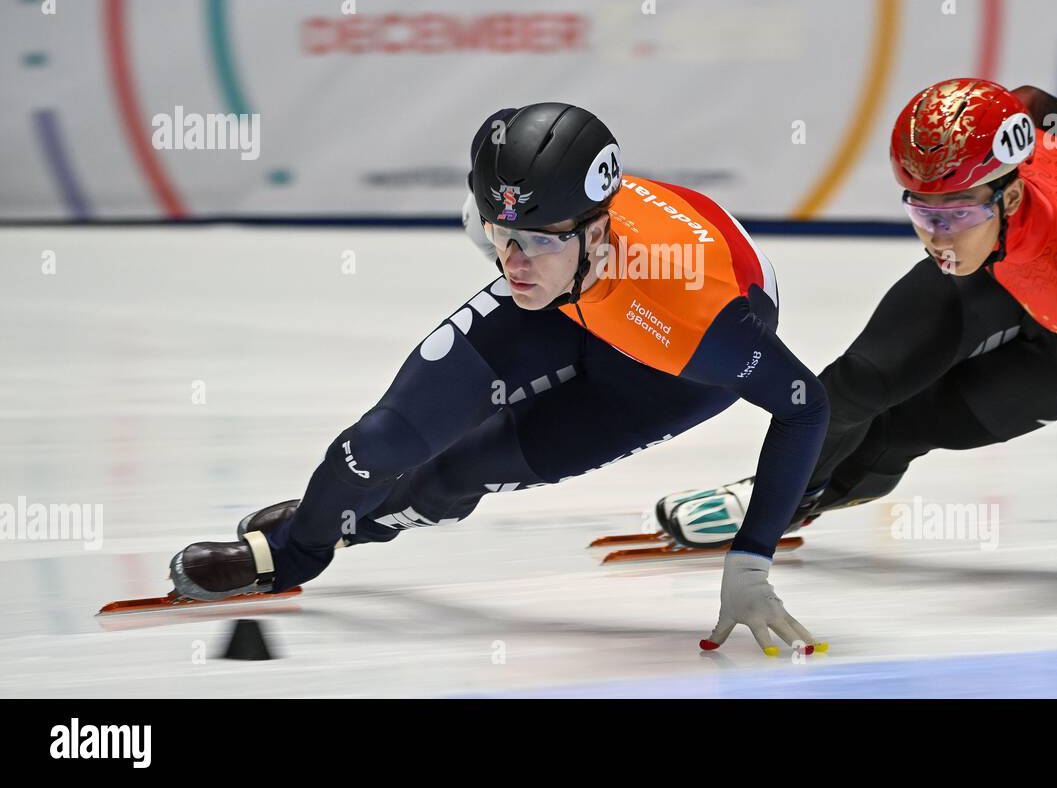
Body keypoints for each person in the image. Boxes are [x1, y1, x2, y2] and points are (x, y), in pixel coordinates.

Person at [170, 102, 831, 653]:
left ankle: (360, 521)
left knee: (461, 471)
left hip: (667, 365)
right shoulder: (527, 228)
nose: (512, 263)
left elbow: (805, 406)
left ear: (599, 230)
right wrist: (533, 245)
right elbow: (524, 242)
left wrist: (751, 559)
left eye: (536, 240)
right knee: (383, 438)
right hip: (572, 299)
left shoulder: (698, 315)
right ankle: (290, 551)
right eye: (500, 238)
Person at [656, 79, 1057, 597]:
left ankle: (817, 496)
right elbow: (1033, 100)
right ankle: (779, 496)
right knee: (859, 381)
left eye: (952, 216)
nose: (936, 238)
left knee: (914, 424)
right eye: (921, 212)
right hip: (1021, 253)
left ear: (1007, 195)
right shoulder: (993, 173)